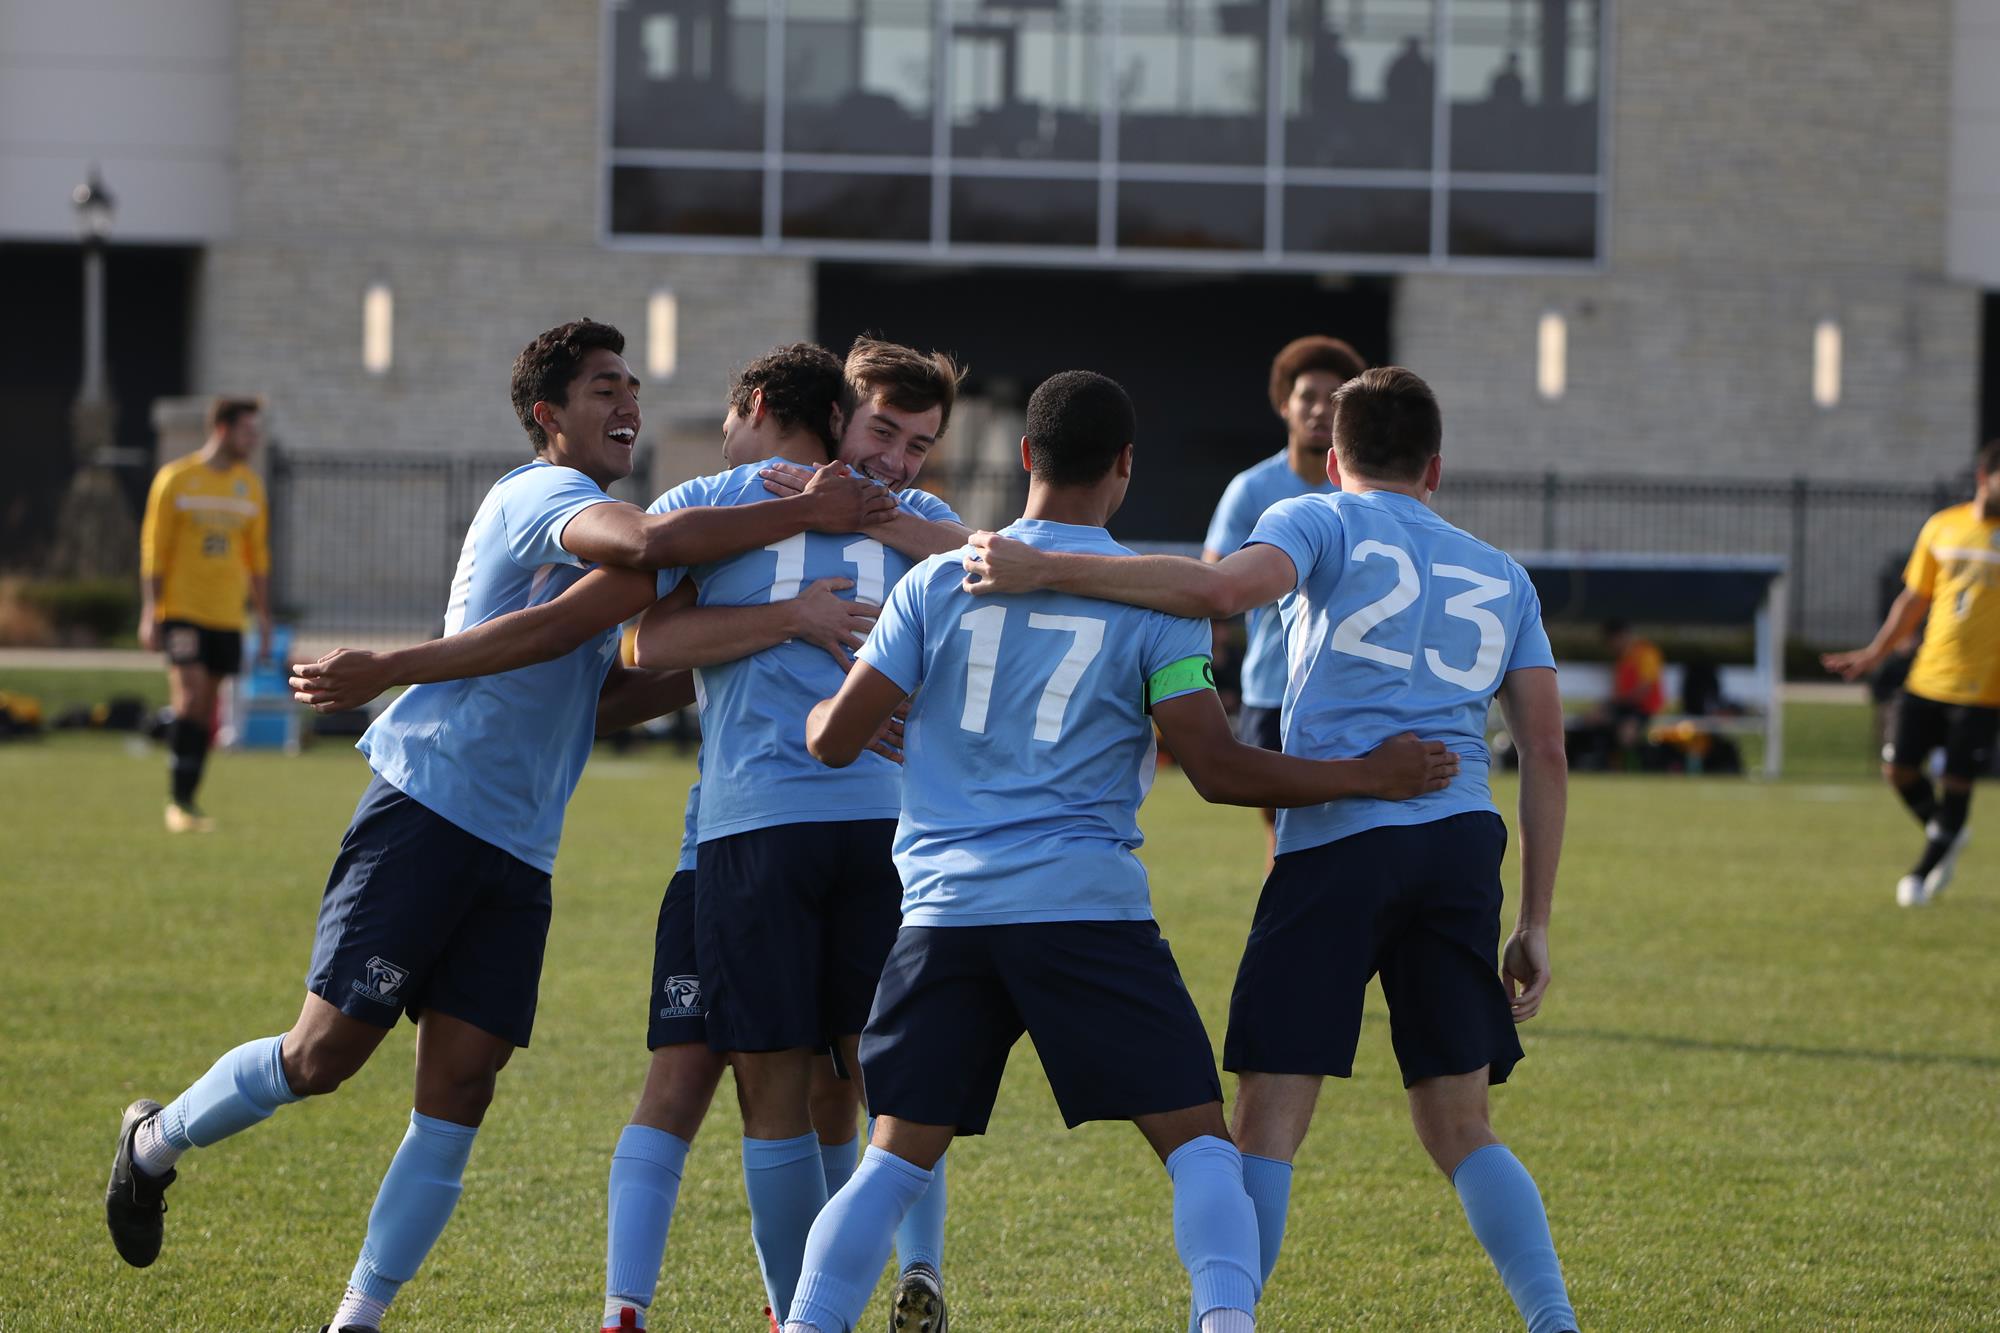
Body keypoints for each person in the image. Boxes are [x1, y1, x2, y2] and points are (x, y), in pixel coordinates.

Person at [104, 320, 892, 1333]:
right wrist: (808, 513)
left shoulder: (631, 528)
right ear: (546, 414)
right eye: (604, 387)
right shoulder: (544, 495)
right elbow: (641, 554)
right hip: (429, 805)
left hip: (522, 848)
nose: (629, 403)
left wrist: (770, 641)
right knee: (324, 1055)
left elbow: (609, 684)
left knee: (461, 1088)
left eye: (633, 386)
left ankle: (355, 1318)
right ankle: (154, 1141)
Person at [291, 336, 971, 1331]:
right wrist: (798, 613)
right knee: (805, 1080)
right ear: (836, 415)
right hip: (790, 829)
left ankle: (865, 1289)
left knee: (812, 1082)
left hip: (806, 830)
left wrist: (883, 541)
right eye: (884, 432)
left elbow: (640, 636)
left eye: (918, 446)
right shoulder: (776, 507)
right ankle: (789, 1298)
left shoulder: (862, 514)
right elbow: (639, 639)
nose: (898, 461)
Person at [780, 370, 1459, 1333]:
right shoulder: (1155, 603)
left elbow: (834, 739)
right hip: (1087, 908)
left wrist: (843, 712)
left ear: (1027, 455)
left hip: (946, 915)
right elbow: (1218, 768)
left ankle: (809, 1321)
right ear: (1126, 467)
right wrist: (1368, 774)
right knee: (1202, 1151)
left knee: (891, 1163)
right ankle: (1224, 1321)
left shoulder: (937, 582)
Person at [958, 366, 1580, 1333]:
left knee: (1267, 1124)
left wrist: (1047, 569)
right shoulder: (1503, 573)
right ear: (1435, 469)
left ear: (1332, 461)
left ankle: (1229, 1320)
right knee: (1461, 1125)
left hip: (1341, 838)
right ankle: (1555, 1320)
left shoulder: (1316, 518)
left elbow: (1217, 590)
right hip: (1461, 841)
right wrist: (1535, 918)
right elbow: (1543, 748)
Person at [1204, 335, 1366, 865]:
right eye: (1307, 397)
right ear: (1284, 405)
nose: (1320, 410)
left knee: (1349, 830)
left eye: (1333, 398)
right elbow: (1214, 581)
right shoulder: (1252, 489)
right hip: (1272, 688)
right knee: (1283, 835)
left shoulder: (1363, 493)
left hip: (1348, 689)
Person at [1824, 438, 2000, 907]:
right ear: (1985, 479)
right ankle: (1946, 832)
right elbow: (1914, 598)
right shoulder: (1943, 527)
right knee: (1898, 769)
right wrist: (1876, 652)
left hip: (1985, 688)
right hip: (1928, 677)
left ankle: (1921, 874)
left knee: (1958, 781)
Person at [138, 396, 273, 832]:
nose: (253, 440)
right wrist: (151, 610)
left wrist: (264, 619)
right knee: (191, 695)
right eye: (247, 431)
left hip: (227, 616)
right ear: (222, 429)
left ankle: (188, 799)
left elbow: (257, 560)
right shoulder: (176, 480)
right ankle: (176, 800)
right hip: (182, 610)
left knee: (206, 707)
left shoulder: (250, 487)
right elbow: (154, 549)